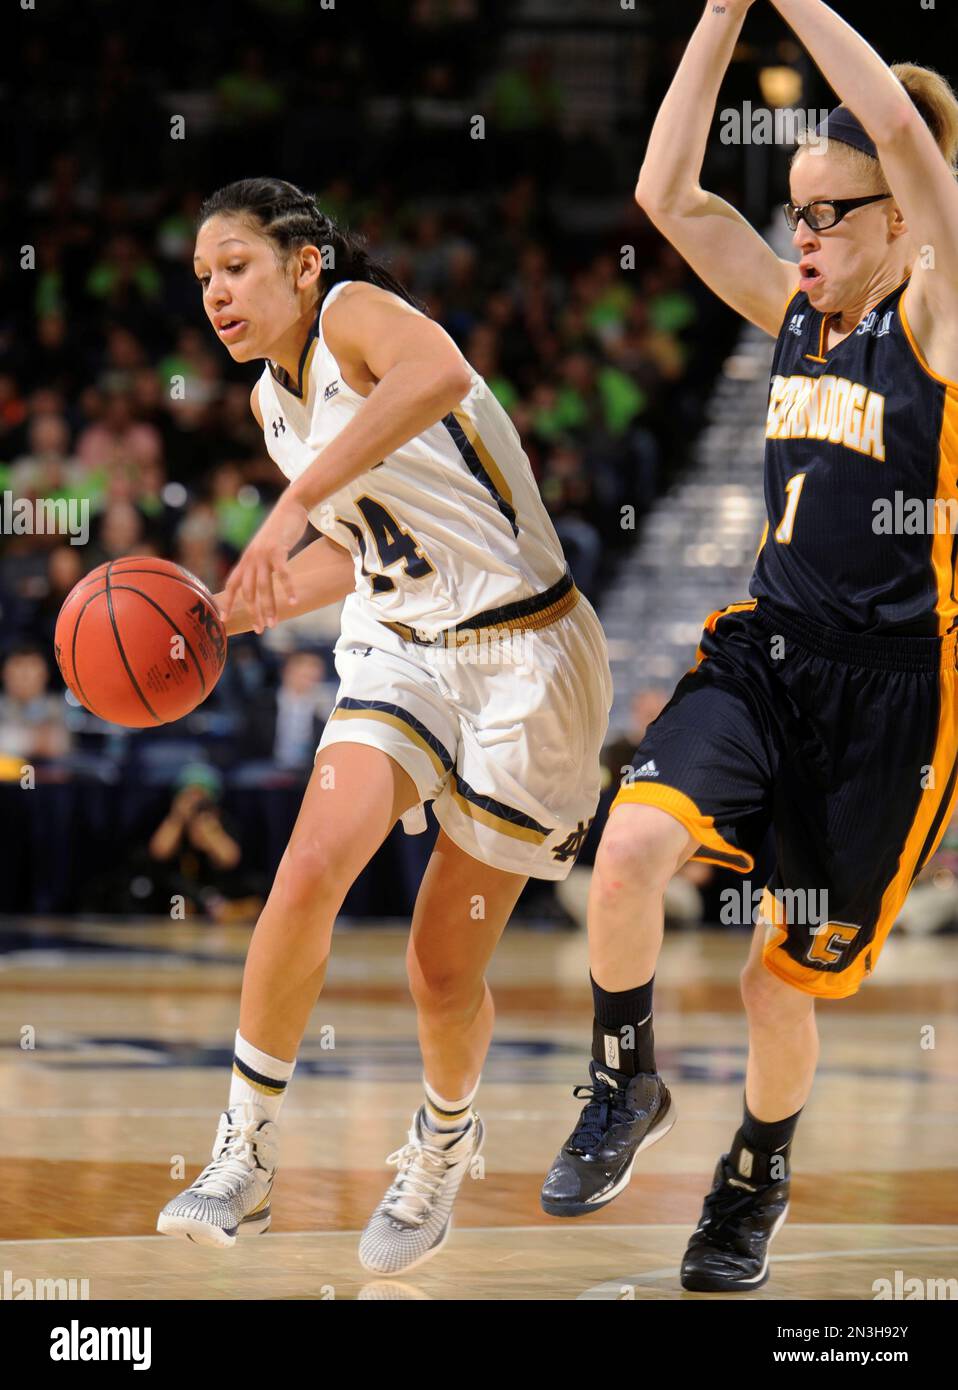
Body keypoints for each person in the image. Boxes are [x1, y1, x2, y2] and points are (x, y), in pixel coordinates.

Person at [539, 0, 958, 1293]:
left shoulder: (937, 322)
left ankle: (755, 1175)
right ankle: (623, 1084)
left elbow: (892, 119)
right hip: (767, 655)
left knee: (783, 984)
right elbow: (665, 188)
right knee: (624, 859)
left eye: (833, 210)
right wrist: (722, 13)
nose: (804, 231)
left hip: (891, 701)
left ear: (901, 219)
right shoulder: (787, 308)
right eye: (795, 207)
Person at [156, 177, 613, 1275]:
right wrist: (244, 601)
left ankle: (444, 1145)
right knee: (308, 867)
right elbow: (365, 551)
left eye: (236, 267)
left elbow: (441, 372)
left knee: (438, 965)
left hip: (524, 656)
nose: (216, 293)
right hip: (401, 642)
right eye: (203, 278)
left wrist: (283, 507)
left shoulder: (359, 313)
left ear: (304, 261)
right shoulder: (273, 401)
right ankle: (242, 1153)